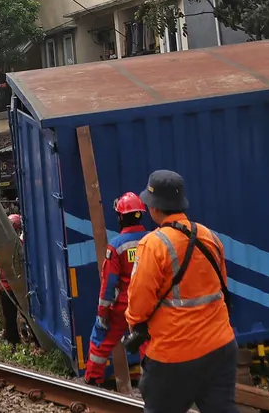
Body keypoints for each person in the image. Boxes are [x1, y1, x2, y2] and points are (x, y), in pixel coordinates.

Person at [126, 170, 236, 413]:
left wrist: (135, 327)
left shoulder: (153, 245)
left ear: (154, 208)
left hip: (173, 356)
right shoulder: (210, 237)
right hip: (220, 348)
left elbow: (139, 305)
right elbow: (222, 288)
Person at [84, 193, 147, 385]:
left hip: (122, 307)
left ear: (120, 217)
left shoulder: (117, 246)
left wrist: (103, 312)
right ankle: (152, 383)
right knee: (148, 343)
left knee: (100, 341)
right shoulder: (153, 240)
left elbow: (109, 283)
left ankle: (93, 381)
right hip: (147, 306)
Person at [0, 213, 24, 346]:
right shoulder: (14, 246)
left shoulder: (7, 246)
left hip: (12, 287)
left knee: (13, 317)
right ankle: (14, 341)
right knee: (14, 316)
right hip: (13, 287)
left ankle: (15, 341)